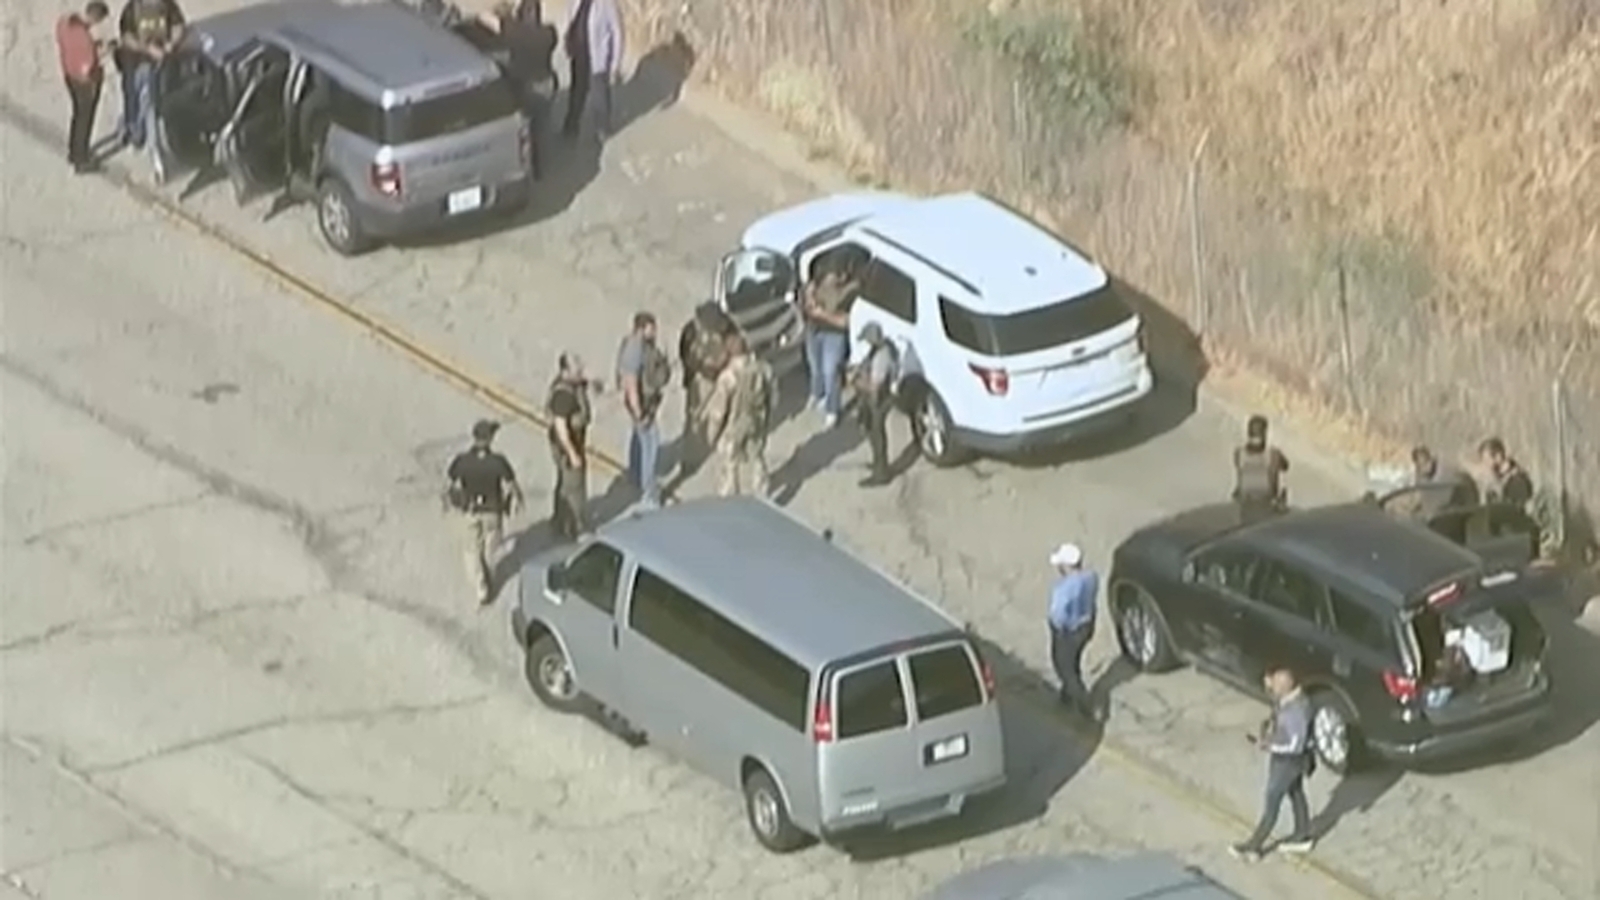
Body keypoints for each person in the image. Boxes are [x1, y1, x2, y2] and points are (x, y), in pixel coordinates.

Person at [1231, 666, 1317, 860]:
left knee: (1272, 800)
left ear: (1285, 687)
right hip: (1292, 762)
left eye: (1276, 686)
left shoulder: (1296, 712)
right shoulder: (1292, 699)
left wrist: (1269, 746)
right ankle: (1302, 835)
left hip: (1288, 761)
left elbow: (1295, 745)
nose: (1272, 689)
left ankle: (1254, 846)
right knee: (1296, 793)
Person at [443, 420, 524, 605]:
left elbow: (448, 485)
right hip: (493, 511)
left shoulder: (462, 461)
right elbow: (511, 485)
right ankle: (489, 573)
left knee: (471, 551)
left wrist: (447, 503)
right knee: (491, 549)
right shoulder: (498, 462)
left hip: (470, 510)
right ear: (489, 439)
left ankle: (481, 587)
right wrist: (518, 500)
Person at [700, 330, 776, 497]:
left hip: (733, 428)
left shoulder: (728, 377)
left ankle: (731, 498)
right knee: (757, 457)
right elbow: (773, 397)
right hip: (757, 421)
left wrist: (712, 434)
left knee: (730, 464)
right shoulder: (764, 369)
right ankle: (762, 492)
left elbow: (718, 412)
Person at [114, 0, 185, 164]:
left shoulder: (167, 5)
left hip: (161, 64)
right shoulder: (132, 8)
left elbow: (178, 26)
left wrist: (171, 44)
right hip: (135, 63)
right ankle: (131, 129)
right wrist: (147, 49)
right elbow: (126, 37)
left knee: (151, 102)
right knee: (133, 99)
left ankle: (152, 143)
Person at [616, 312, 671, 507]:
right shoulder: (635, 350)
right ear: (642, 328)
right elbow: (630, 382)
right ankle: (649, 491)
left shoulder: (635, 345)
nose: (655, 331)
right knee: (651, 442)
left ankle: (635, 475)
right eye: (651, 327)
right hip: (641, 404)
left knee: (638, 437)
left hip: (641, 402)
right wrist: (639, 411)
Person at [676, 302, 733, 480]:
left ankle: (714, 445)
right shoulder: (692, 332)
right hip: (699, 380)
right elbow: (685, 355)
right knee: (694, 419)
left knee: (717, 415)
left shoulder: (722, 328)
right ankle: (690, 459)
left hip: (717, 378)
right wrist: (701, 369)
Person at [546, 353, 598, 541]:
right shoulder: (562, 395)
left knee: (564, 484)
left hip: (568, 445)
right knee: (575, 487)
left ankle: (560, 521)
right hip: (567, 448)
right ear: (565, 371)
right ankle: (577, 527)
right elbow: (561, 427)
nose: (580, 373)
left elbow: (583, 382)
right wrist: (573, 453)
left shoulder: (570, 384)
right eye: (577, 370)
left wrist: (590, 382)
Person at [1047, 542, 1100, 721]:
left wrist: (1055, 627)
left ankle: (1084, 704)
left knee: (1062, 665)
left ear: (1067, 566)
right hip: (1086, 627)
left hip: (1068, 631)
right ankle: (1067, 694)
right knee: (1073, 659)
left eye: (1061, 564)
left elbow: (1057, 615)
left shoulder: (1063, 590)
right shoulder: (1091, 578)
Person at [57, 1, 110, 174]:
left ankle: (73, 151)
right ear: (96, 18)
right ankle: (81, 159)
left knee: (76, 116)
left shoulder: (65, 23)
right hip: (84, 84)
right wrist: (101, 53)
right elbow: (87, 67)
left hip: (69, 75)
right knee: (84, 120)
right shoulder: (85, 40)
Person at [801, 265, 857, 428]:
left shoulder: (852, 293)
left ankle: (832, 409)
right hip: (813, 329)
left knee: (830, 371)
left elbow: (846, 322)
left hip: (834, 335)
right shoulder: (819, 281)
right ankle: (817, 393)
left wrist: (823, 314)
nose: (831, 278)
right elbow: (808, 290)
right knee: (815, 367)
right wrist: (809, 297)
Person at [561, 0, 622, 139]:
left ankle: (603, 131)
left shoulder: (607, 4)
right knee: (577, 94)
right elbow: (571, 22)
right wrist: (568, 43)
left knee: (600, 98)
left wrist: (615, 64)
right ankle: (571, 127)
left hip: (598, 59)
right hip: (579, 56)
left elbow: (617, 32)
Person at [852, 322, 902, 488]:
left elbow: (875, 387)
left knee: (877, 433)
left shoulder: (882, 357)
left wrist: (856, 382)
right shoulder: (879, 348)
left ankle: (881, 473)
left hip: (881, 399)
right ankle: (879, 463)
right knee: (872, 431)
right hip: (879, 396)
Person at [1233, 414, 1290, 518]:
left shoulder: (1238, 453)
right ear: (1264, 434)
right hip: (1267, 504)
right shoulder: (1273, 454)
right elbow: (1286, 466)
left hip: (1245, 504)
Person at [1478, 437, 1534, 507]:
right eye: (1485, 461)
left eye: (1488, 459)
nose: (1488, 465)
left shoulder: (1516, 479)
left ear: (1499, 455)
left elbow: (1515, 508)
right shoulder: (1495, 480)